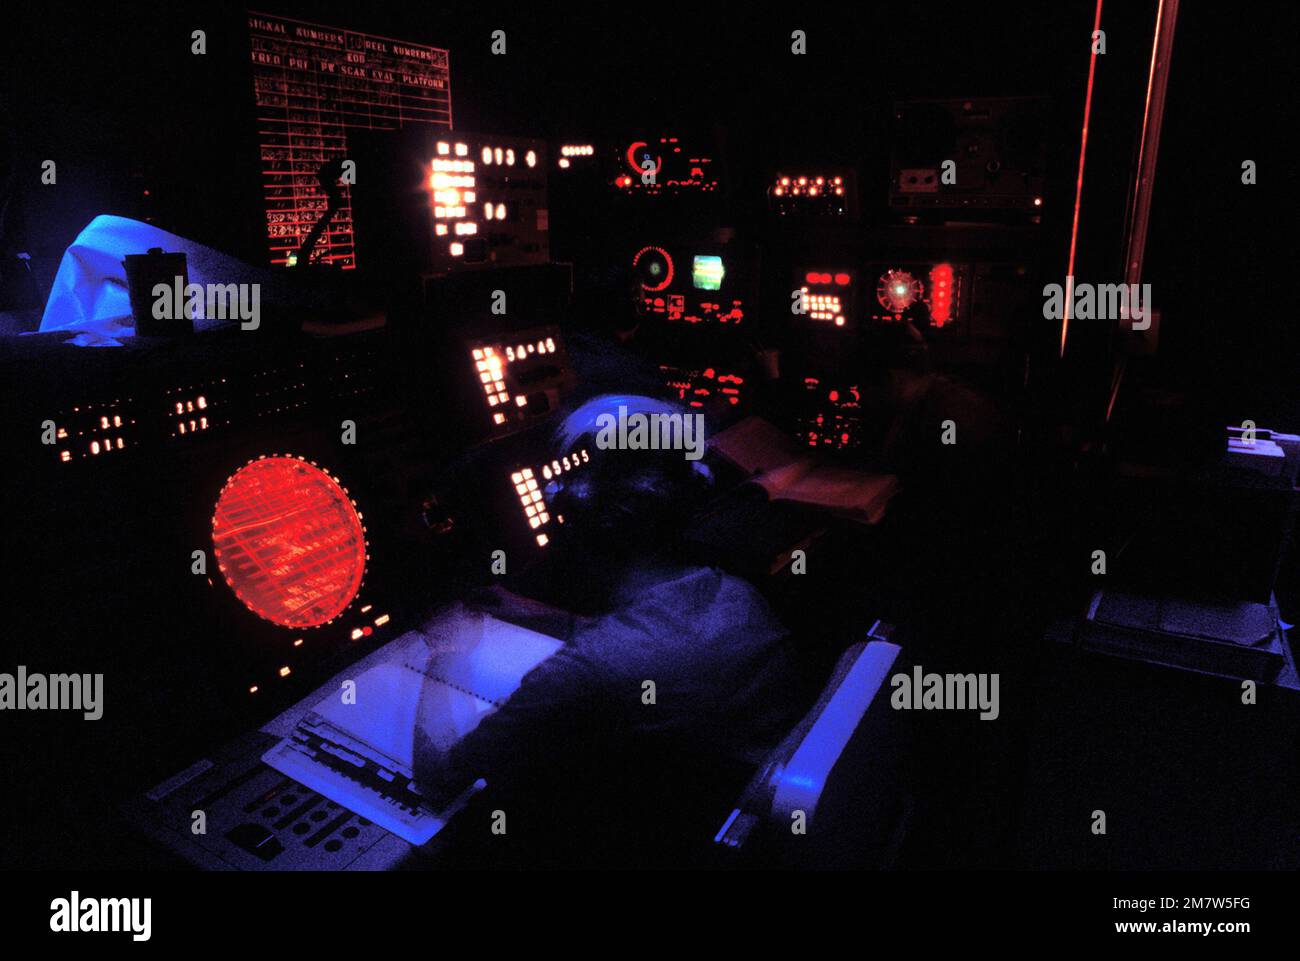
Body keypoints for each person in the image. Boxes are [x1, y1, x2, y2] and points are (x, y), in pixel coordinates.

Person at [412, 395, 813, 865]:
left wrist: (445, 655)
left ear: (583, 527)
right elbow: (651, 636)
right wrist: (520, 610)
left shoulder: (589, 667)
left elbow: (439, 779)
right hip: (735, 819)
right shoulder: (734, 594)